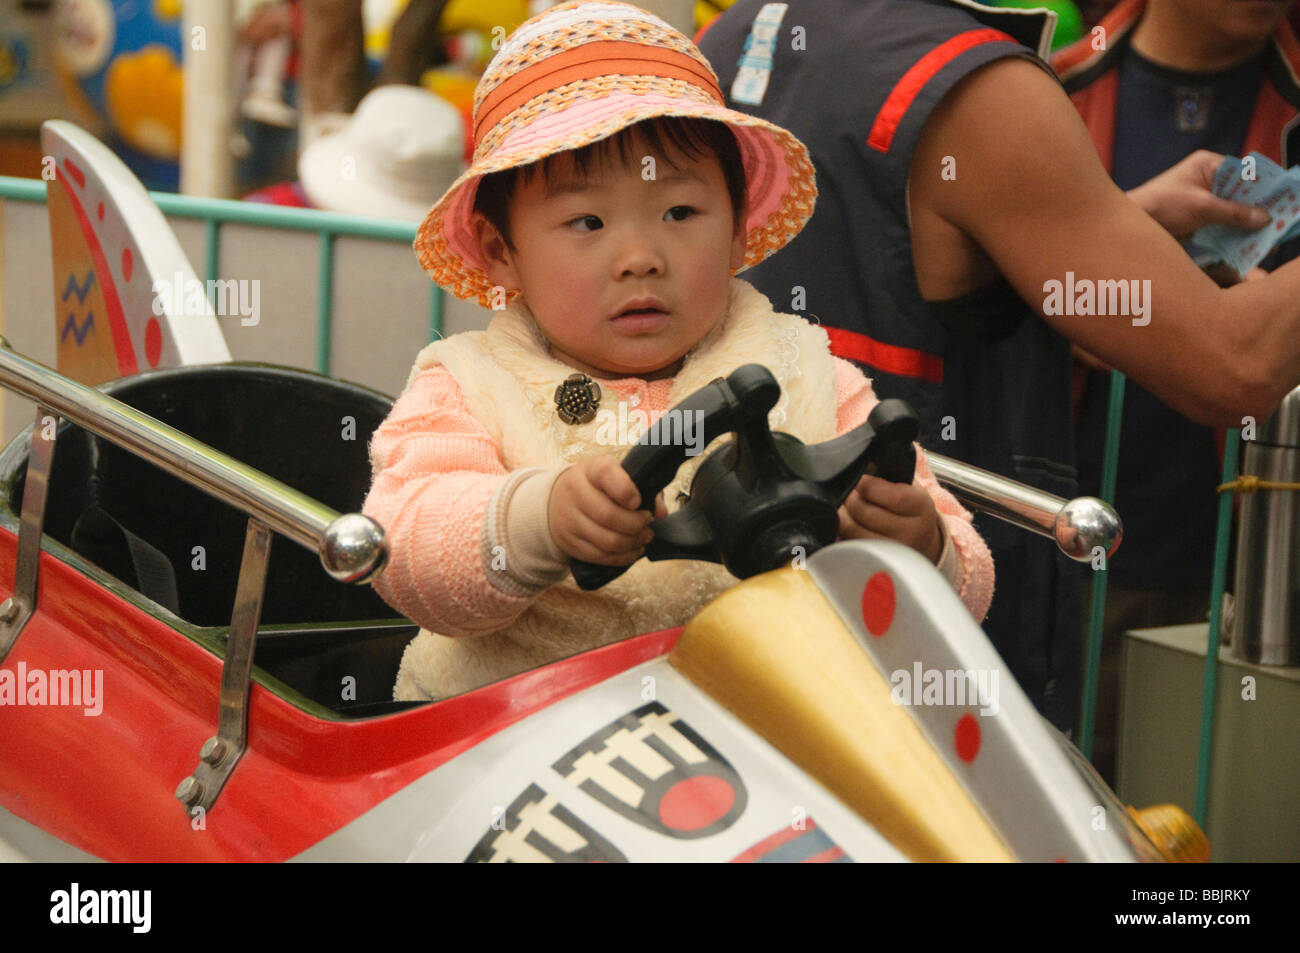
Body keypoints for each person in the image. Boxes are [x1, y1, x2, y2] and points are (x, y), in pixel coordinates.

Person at [361, 1, 995, 702]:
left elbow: (967, 579)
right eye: (587, 221)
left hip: (764, 740)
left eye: (681, 213)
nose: (640, 258)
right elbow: (405, 548)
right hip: (505, 741)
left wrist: (922, 549)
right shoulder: (469, 385)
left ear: (736, 228)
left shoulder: (809, 372)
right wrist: (534, 520)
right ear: (499, 250)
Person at [699, 0, 1300, 732]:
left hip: (721, 636)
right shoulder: (980, 90)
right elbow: (1234, 361)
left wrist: (1109, 223)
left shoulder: (732, 39)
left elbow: (894, 245)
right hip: (926, 672)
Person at [1053, 0, 1300, 779]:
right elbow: (990, 308)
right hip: (1074, 558)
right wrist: (1135, 245)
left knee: (1232, 810)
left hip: (1265, 577)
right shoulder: (1042, 93)